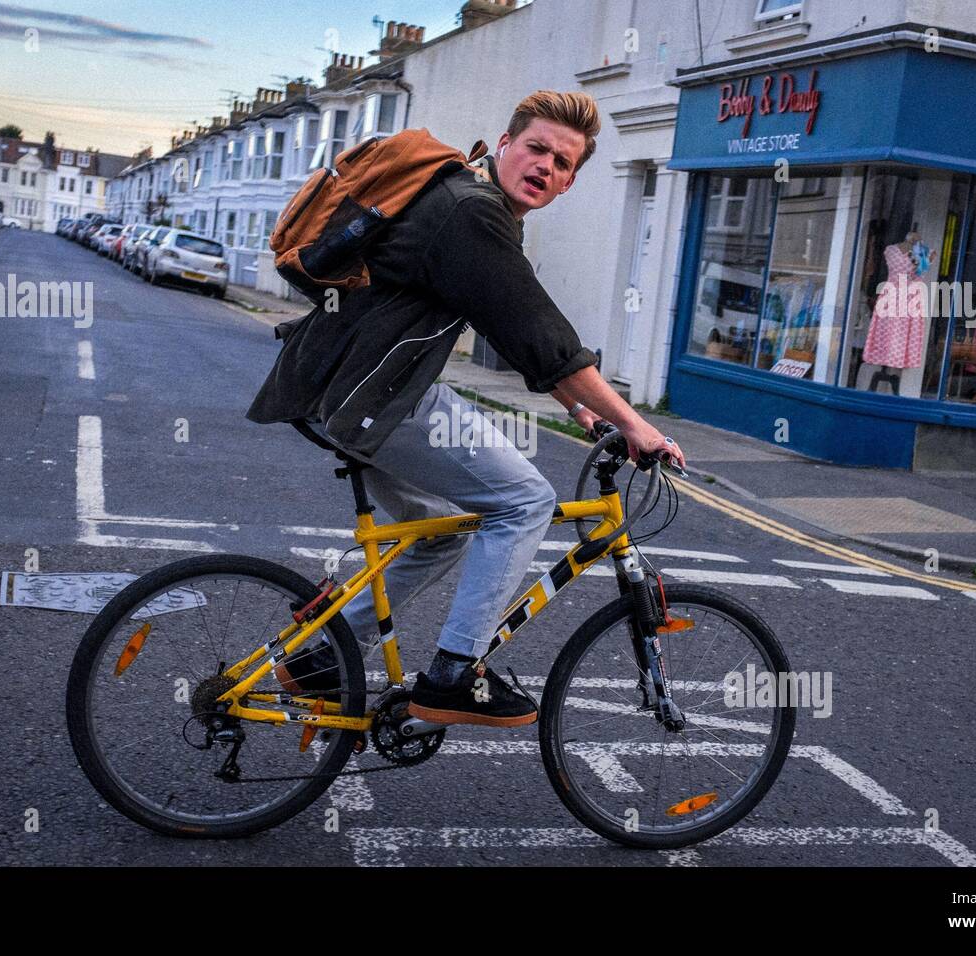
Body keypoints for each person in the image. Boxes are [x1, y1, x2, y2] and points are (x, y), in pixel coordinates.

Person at [246, 90, 686, 727]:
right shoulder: (469, 212)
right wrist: (633, 423)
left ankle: (321, 657)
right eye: (537, 148)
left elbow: (505, 322)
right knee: (525, 503)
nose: (546, 166)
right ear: (504, 144)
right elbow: (540, 331)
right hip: (371, 394)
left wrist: (580, 408)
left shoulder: (477, 204)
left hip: (346, 385)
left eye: (563, 164)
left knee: (442, 526)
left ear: (568, 182)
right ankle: (454, 674)